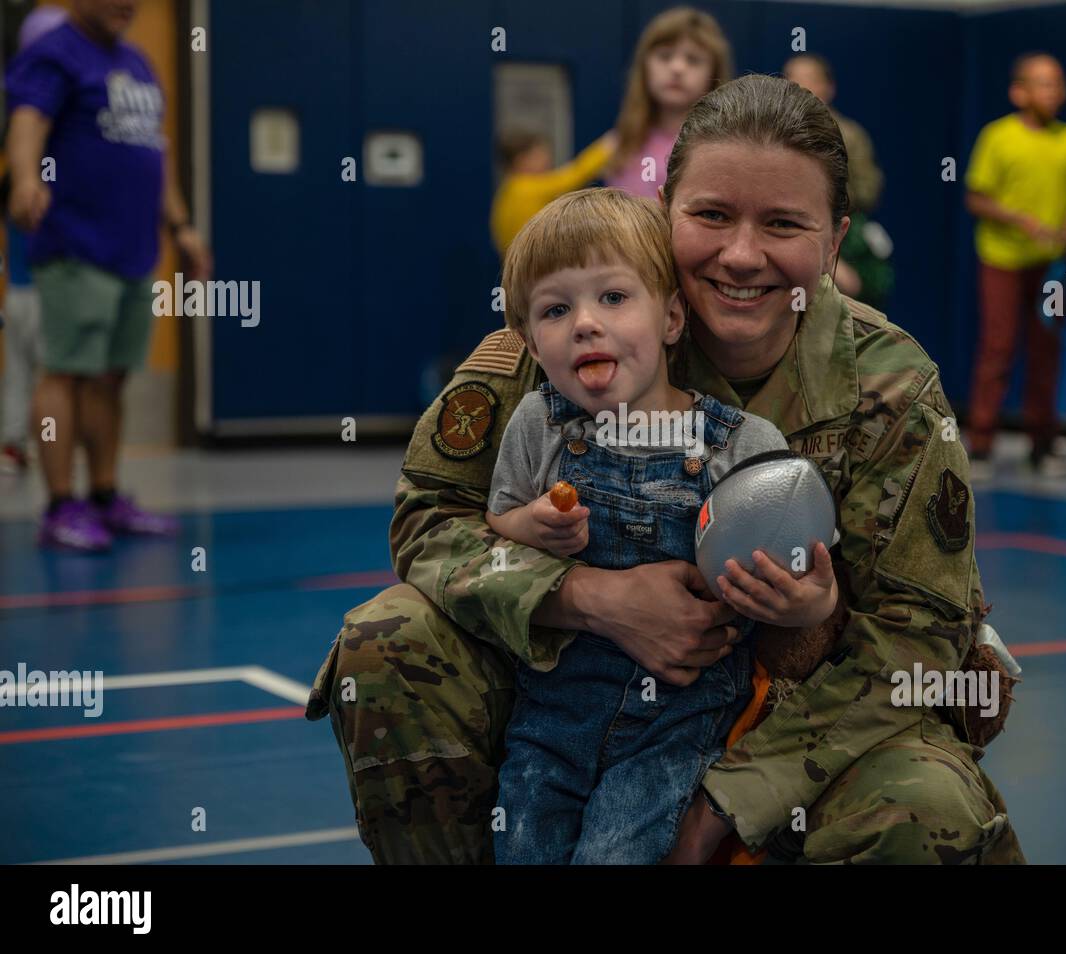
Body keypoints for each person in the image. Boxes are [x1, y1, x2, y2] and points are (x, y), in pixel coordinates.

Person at [308, 74, 1025, 866]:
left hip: (795, 715)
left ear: (835, 240)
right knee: (386, 642)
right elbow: (429, 517)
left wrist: (736, 796)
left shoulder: (893, 387)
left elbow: (919, 638)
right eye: (711, 215)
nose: (742, 255)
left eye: (783, 224)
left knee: (928, 810)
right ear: (665, 210)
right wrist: (585, 598)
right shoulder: (582, 334)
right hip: (563, 695)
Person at [484, 188, 810, 863]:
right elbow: (496, 521)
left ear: (669, 318)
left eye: (612, 297)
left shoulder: (740, 444)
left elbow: (795, 559)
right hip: (551, 716)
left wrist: (808, 597)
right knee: (520, 846)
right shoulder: (537, 425)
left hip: (676, 723)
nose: (584, 324)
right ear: (529, 343)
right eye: (555, 309)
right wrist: (532, 527)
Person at [4, 0, 211, 550]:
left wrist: (181, 224)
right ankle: (58, 506)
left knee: (111, 376)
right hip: (76, 245)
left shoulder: (138, 63)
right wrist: (25, 179)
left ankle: (103, 495)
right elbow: (28, 119)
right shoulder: (55, 54)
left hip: (134, 250)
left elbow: (156, 151)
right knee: (66, 371)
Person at [964, 52, 1066, 479]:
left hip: (1051, 268)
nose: (1054, 91)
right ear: (1019, 92)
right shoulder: (997, 137)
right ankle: (983, 447)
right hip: (1002, 261)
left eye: (1059, 83)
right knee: (998, 350)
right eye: (1044, 83)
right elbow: (975, 196)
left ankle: (1042, 446)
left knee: (1047, 354)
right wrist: (1017, 218)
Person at [0, 5, 69, 474]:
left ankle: (11, 444)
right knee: (55, 378)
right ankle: (58, 452)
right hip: (43, 294)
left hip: (17, 296)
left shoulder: (14, 176)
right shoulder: (48, 176)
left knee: (18, 377)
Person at [784, 52, 892, 309]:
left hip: (837, 232)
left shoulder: (850, 135)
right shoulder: (768, 131)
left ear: (828, 87)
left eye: (808, 79)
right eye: (791, 78)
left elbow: (868, 190)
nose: (799, 86)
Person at [603, 7, 730, 200]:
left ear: (714, 74)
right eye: (665, 56)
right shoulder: (617, 143)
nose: (677, 68)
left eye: (693, 60)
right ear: (644, 68)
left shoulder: (726, 146)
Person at [489, 129, 616, 256]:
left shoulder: (506, 190)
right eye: (539, 155)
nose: (547, 160)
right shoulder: (526, 188)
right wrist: (607, 146)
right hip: (533, 258)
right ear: (521, 160)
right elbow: (574, 176)